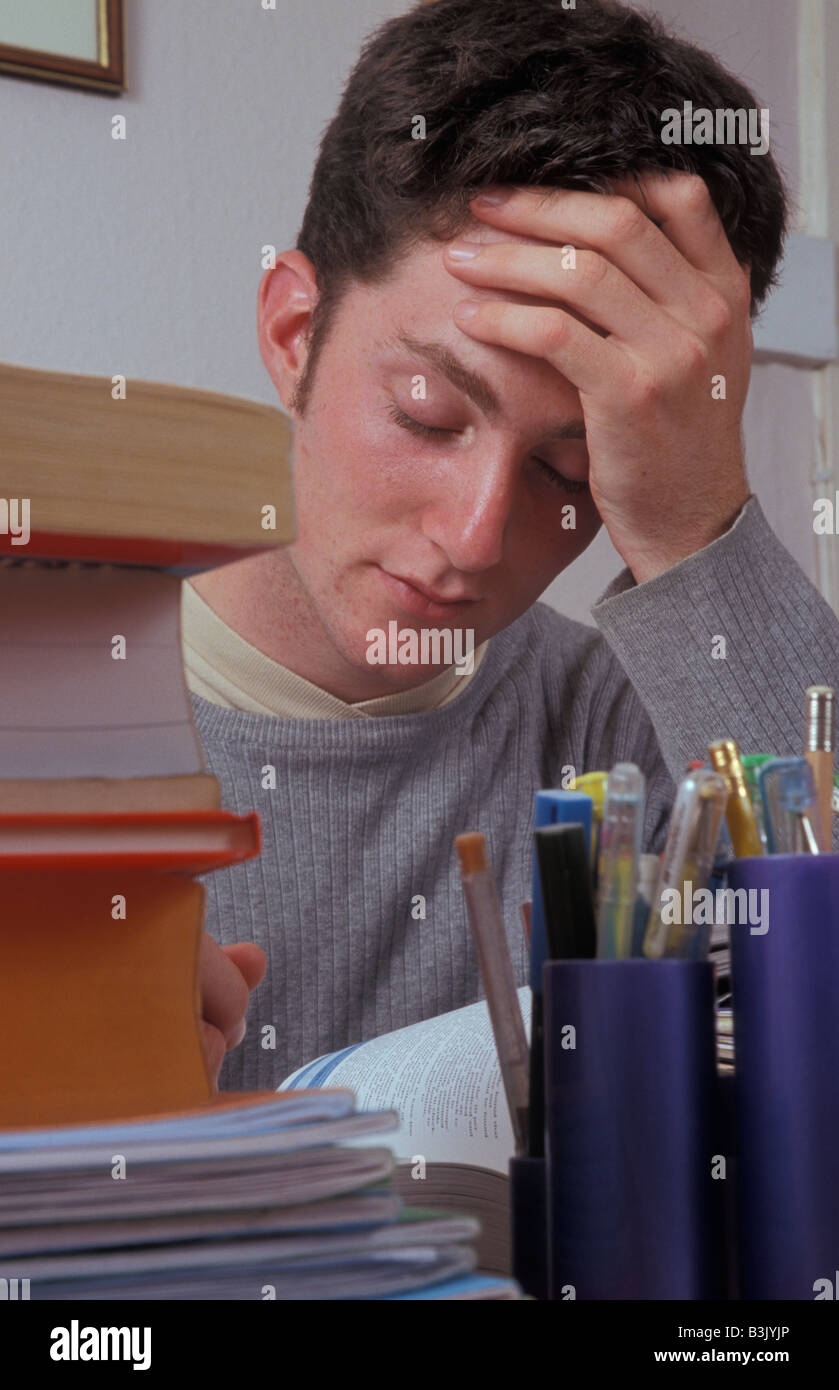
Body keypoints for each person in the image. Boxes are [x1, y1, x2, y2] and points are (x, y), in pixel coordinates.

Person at [190, 0, 839, 1090]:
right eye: (427, 414)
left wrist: (695, 525)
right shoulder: (52, 697)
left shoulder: (624, 735)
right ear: (294, 335)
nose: (475, 535)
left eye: (568, 472)